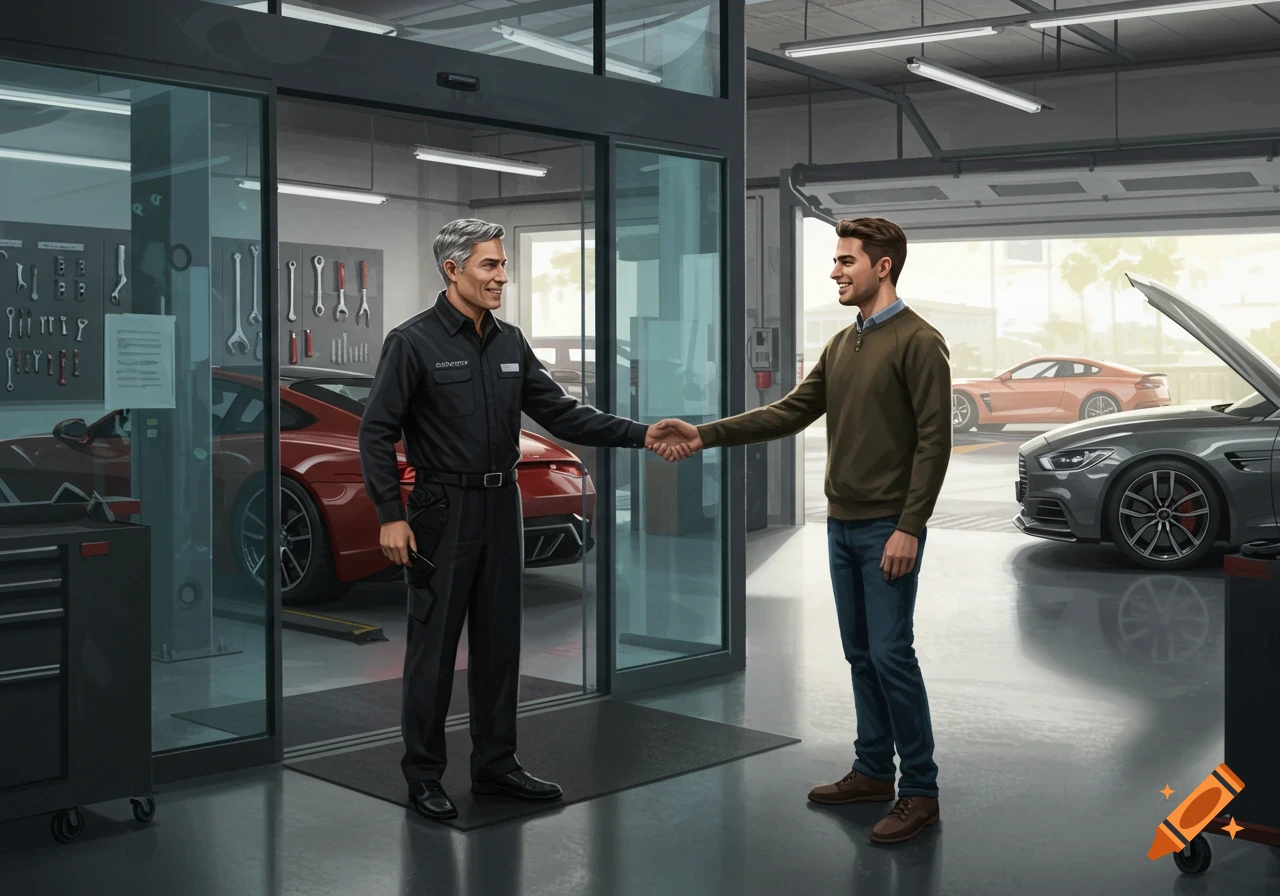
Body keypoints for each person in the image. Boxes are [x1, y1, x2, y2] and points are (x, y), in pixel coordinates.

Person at [359, 218, 685, 822]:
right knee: (433, 651)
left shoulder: (510, 341)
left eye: (504, 265)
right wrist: (388, 515)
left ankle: (496, 765)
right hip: (440, 510)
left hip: (500, 504)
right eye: (489, 266)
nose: (502, 277)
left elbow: (562, 413)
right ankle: (424, 776)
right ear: (452, 270)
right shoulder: (413, 343)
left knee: (498, 644)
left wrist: (642, 433)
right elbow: (376, 432)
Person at [649, 217, 951, 844]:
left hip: (887, 530)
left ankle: (920, 791)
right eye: (836, 261)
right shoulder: (844, 344)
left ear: (883, 266)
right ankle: (872, 772)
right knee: (861, 654)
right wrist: (704, 434)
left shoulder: (920, 342)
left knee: (894, 656)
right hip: (842, 526)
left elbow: (934, 442)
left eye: (847, 261)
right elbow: (790, 411)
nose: (836, 271)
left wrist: (910, 527)